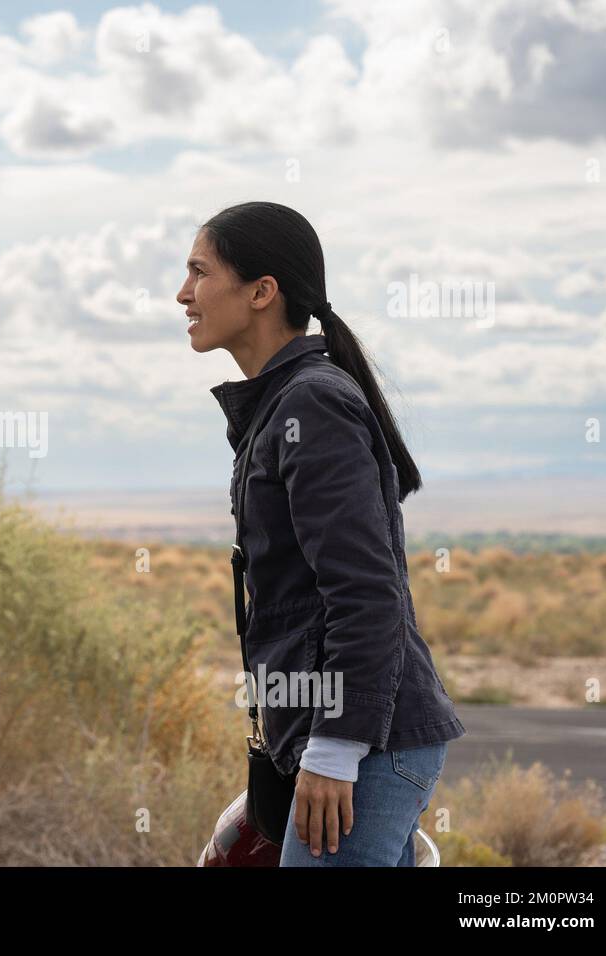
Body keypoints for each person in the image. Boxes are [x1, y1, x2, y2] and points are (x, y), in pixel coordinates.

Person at [176, 201, 465, 866]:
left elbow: (366, 594)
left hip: (367, 746)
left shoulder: (310, 403)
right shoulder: (284, 404)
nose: (183, 293)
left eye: (199, 271)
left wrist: (335, 748)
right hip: (344, 737)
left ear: (261, 292)